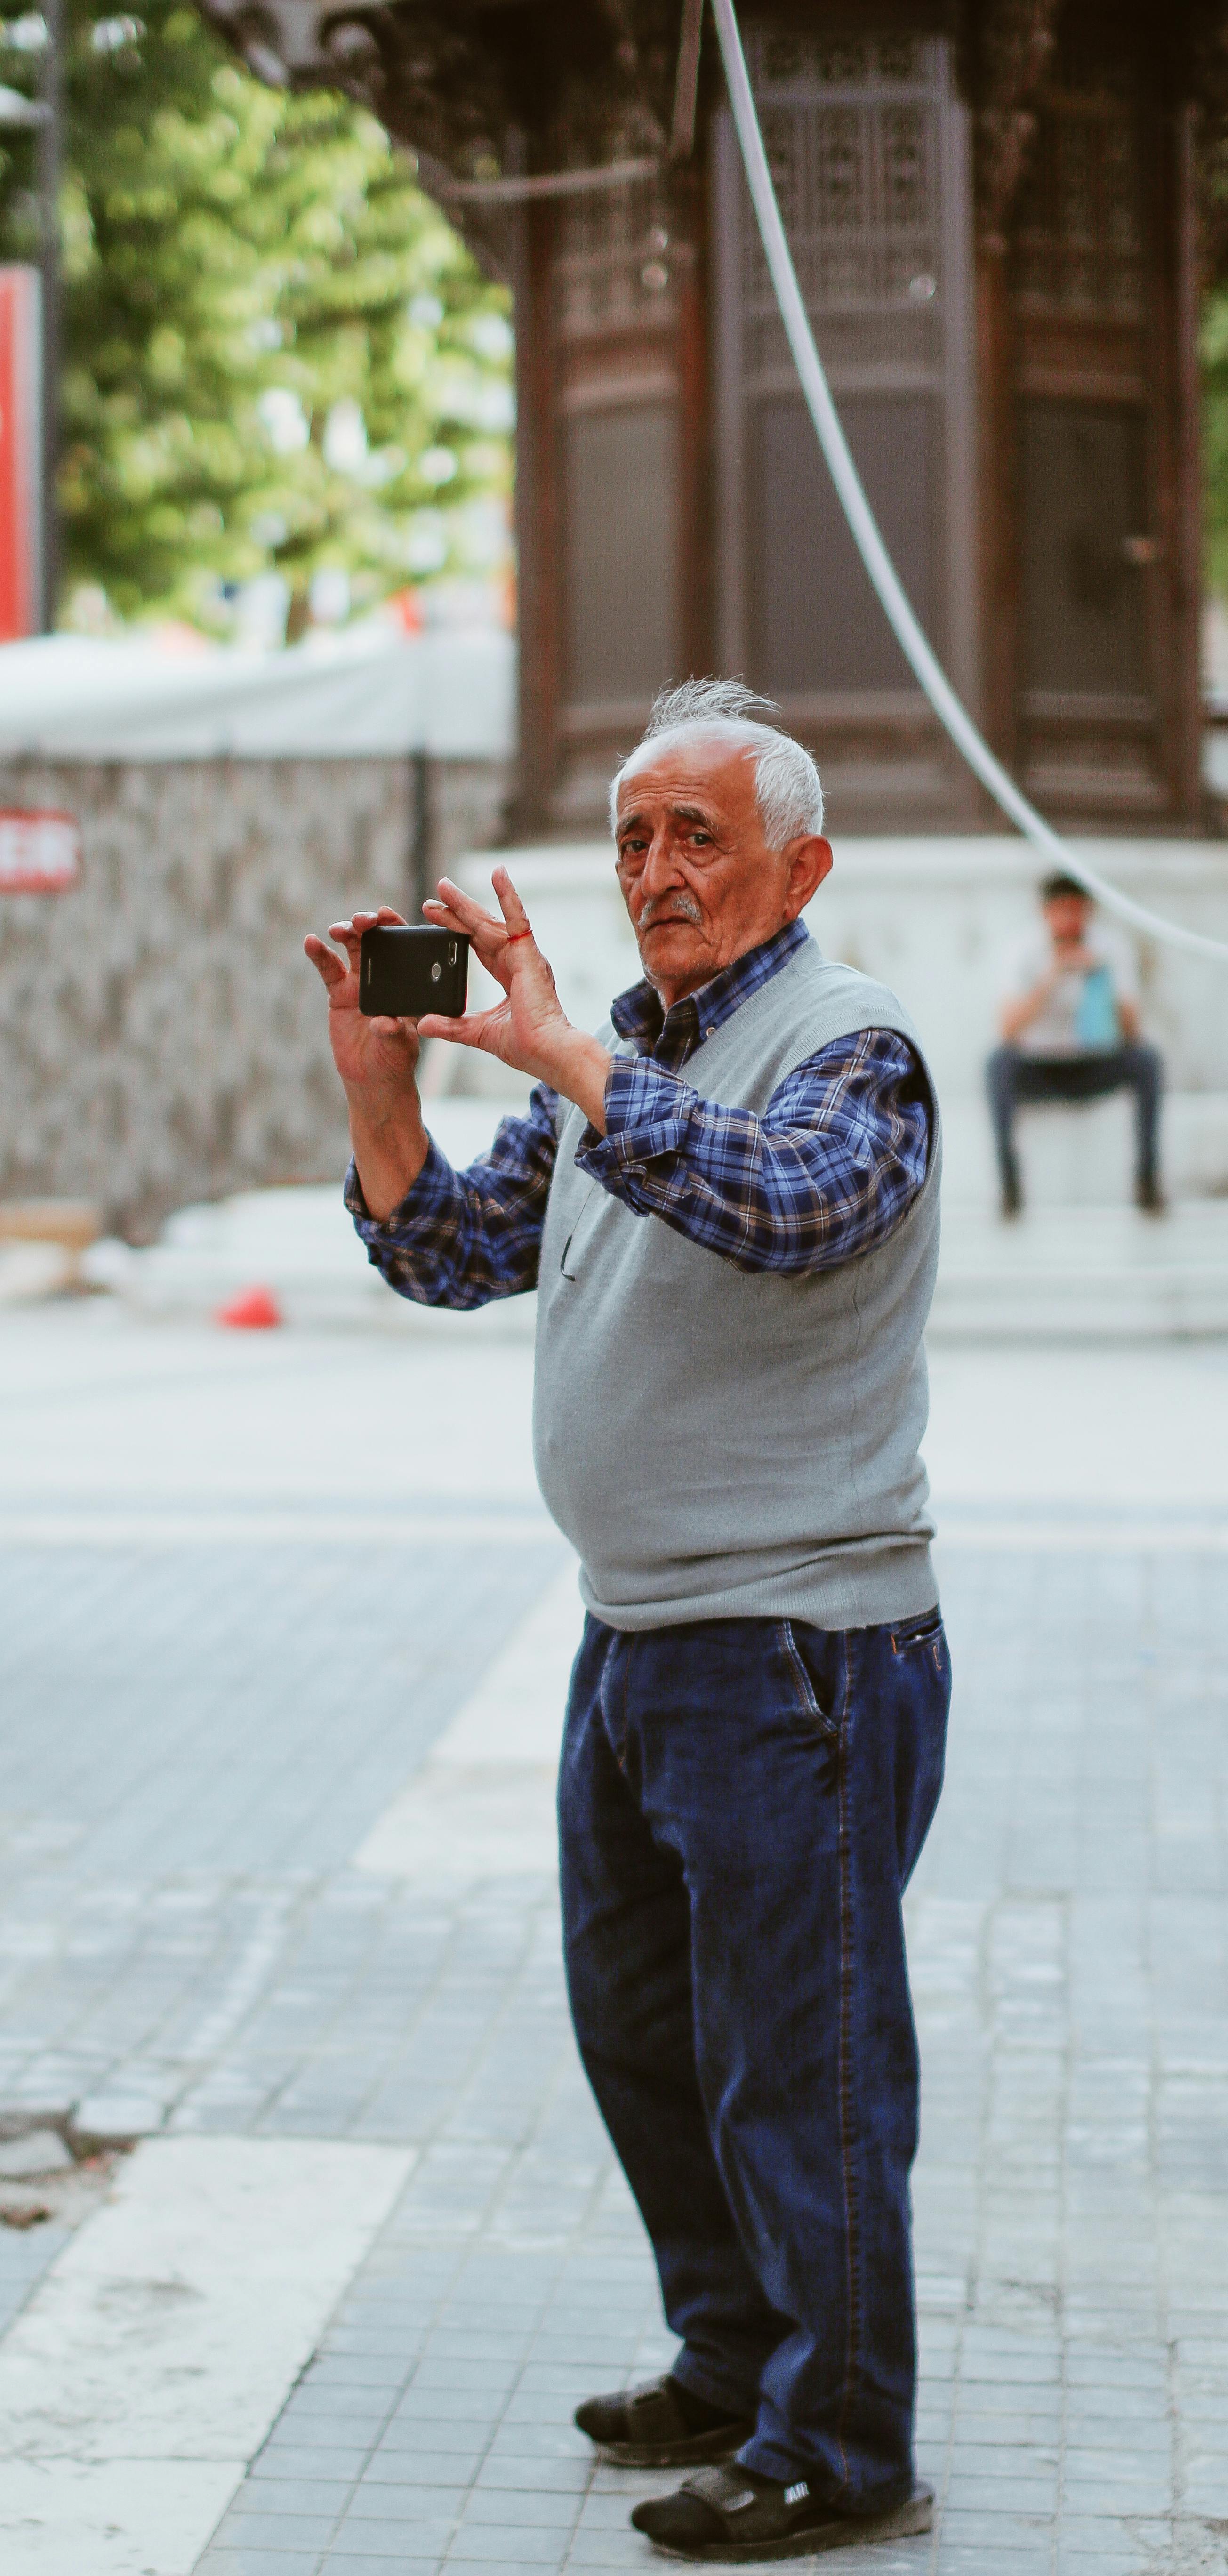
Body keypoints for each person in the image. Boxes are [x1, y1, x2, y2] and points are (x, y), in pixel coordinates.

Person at [305, 678, 951, 2565]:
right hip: (642, 1640)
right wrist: (382, 1083)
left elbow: (787, 1205)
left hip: (798, 1652)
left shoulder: (852, 1051)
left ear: (798, 864)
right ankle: (737, 2350)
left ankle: (842, 2447)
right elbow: (448, 1251)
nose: (652, 872)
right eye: (630, 839)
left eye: (698, 837)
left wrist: (573, 1061)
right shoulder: (631, 1058)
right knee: (648, 2034)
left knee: (800, 2060)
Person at [987, 871, 1164, 1216]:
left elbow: (1132, 1031)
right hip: (1039, 1068)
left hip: (1093, 1064)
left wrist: (1101, 980)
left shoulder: (1110, 948)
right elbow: (1007, 1029)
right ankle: (1009, 1186)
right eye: (1062, 912)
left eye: (1077, 911)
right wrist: (1051, 978)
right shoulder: (1022, 950)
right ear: (1046, 913)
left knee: (1147, 1061)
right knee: (996, 1065)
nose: (1070, 921)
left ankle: (1147, 1180)